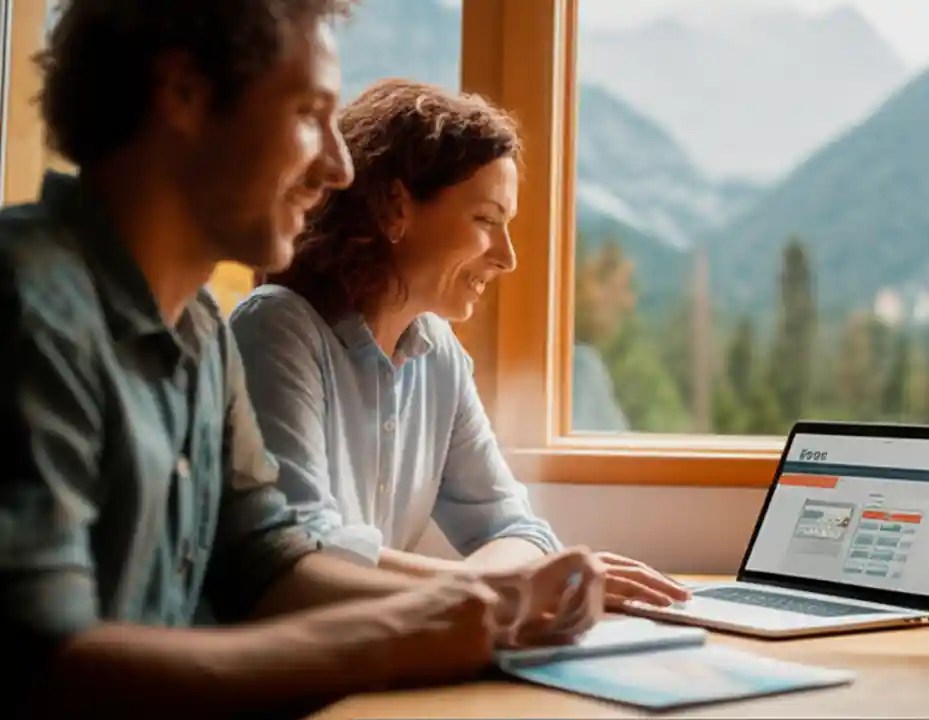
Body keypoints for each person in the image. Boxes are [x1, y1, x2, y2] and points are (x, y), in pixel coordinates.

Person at [0, 2, 606, 716]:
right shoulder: (27, 306)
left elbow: (268, 563)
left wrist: (492, 602)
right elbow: (40, 658)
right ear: (184, 95)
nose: (338, 165)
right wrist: (393, 635)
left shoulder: (198, 330)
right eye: (309, 113)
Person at [229, 79, 691, 609]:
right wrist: (496, 589)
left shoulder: (436, 353)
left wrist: (492, 594)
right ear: (393, 207)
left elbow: (517, 529)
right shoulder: (277, 330)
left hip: (369, 659)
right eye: (486, 220)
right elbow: (304, 552)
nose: (507, 256)